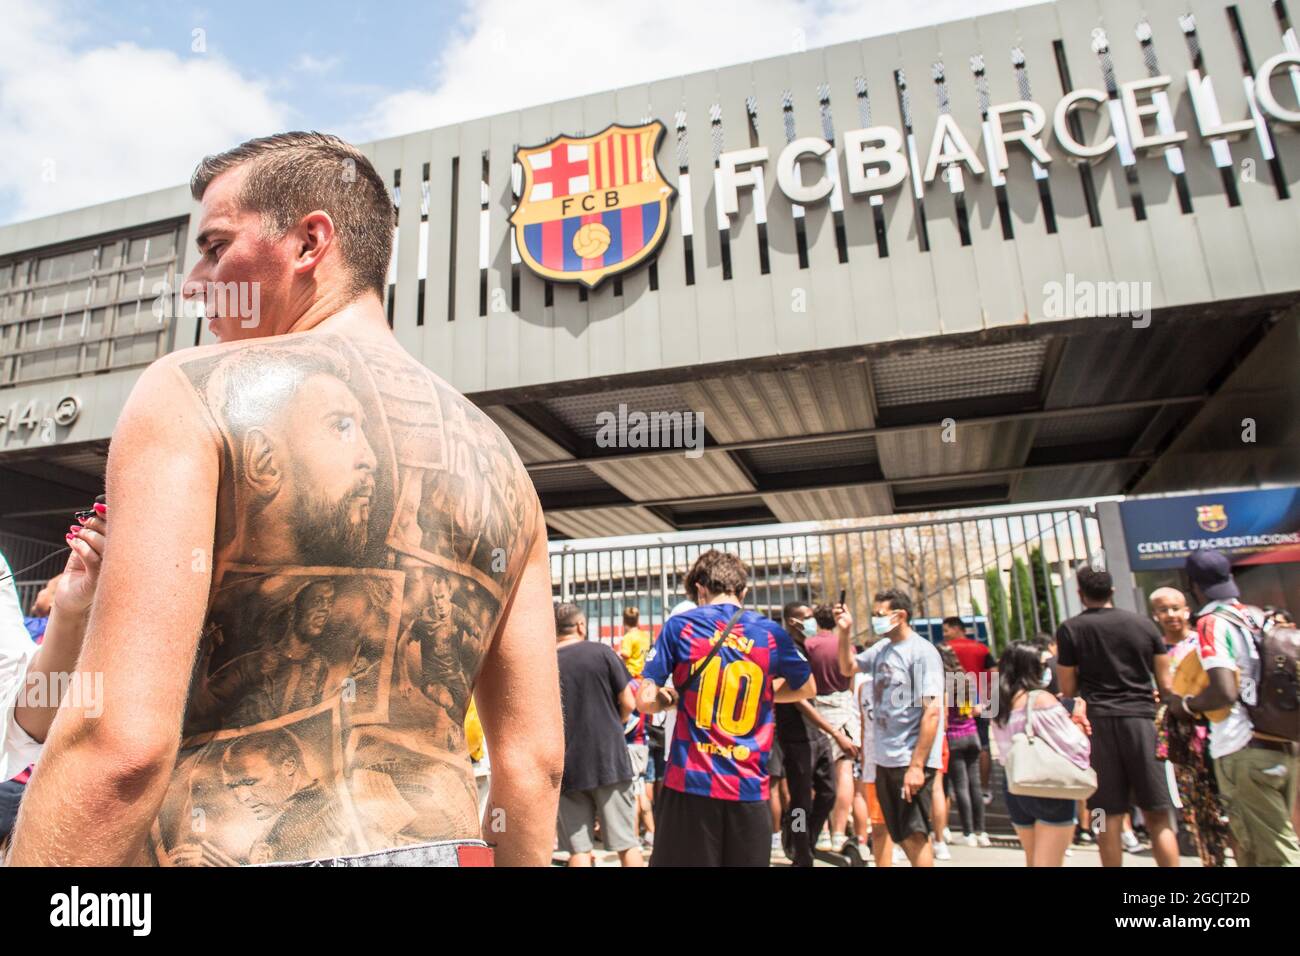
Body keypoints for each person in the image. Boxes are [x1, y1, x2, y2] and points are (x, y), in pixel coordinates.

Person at [10, 133, 562, 867]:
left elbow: (121, 743)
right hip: (450, 847)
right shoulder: (502, 464)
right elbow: (533, 765)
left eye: (214, 246)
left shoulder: (191, 391)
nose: (193, 283)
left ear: (309, 242)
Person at [637, 550, 815, 867]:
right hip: (748, 785)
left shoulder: (681, 626)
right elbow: (807, 687)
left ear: (699, 589)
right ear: (743, 591)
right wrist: (761, 693)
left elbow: (646, 699)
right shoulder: (770, 633)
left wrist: (668, 697)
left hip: (690, 782)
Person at [1166, 551, 1300, 866]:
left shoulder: (1212, 622)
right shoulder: (1256, 616)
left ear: (1192, 585)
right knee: (1252, 851)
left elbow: (1224, 691)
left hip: (1242, 749)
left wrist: (1184, 705)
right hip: (1280, 743)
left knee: (1277, 855)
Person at [1056, 567, 1178, 867]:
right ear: (1112, 591)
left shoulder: (1071, 629)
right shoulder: (1145, 626)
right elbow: (1166, 683)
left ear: (1080, 594)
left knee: (1102, 813)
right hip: (1142, 723)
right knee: (1158, 814)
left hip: (1099, 727)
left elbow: (1068, 687)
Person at [837, 589, 944, 867]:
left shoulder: (922, 653)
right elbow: (848, 668)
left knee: (913, 835)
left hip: (908, 760)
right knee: (898, 832)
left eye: (880, 615)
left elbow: (931, 711)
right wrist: (845, 632)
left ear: (901, 616)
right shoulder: (882, 650)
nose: (875, 620)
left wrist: (917, 765)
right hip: (884, 760)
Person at [554, 603, 643, 868]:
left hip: (568, 764)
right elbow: (629, 702)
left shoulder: (547, 661)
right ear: (581, 626)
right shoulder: (602, 653)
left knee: (578, 851)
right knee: (627, 844)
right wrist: (617, 723)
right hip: (609, 760)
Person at [991, 641, 1093, 867]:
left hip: (1016, 784)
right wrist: (1077, 721)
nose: (1047, 669)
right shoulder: (1040, 699)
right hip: (1048, 786)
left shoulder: (999, 702)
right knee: (1049, 862)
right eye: (1042, 664)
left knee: (1032, 858)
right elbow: (1075, 745)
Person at [1150, 586, 1231, 867]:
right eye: (1163, 609)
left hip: (1219, 734)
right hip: (1182, 743)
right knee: (1197, 810)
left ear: (1187, 610)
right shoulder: (1155, 653)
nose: (1171, 615)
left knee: (1231, 807)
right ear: (1155, 615)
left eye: (1175, 608)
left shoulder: (1204, 644)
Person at [772, 600, 836, 866]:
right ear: (792, 621)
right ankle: (801, 851)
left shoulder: (807, 648)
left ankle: (803, 838)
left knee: (828, 793)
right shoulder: (785, 649)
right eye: (806, 617)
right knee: (800, 803)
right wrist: (835, 731)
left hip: (816, 735)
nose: (812, 621)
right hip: (796, 737)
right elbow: (798, 698)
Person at [803, 603, 863, 854]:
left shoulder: (809, 646)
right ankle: (840, 832)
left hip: (818, 709)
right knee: (845, 773)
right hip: (844, 709)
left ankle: (822, 831)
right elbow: (850, 678)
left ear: (815, 620)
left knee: (817, 776)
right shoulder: (845, 645)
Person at [941, 616, 997, 807]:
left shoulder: (946, 649)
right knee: (983, 747)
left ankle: (954, 790)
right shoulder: (981, 649)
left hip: (953, 704)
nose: (944, 634)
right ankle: (984, 789)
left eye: (947, 630)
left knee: (952, 749)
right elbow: (993, 674)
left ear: (957, 629)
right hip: (978, 702)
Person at [941, 639, 989, 847]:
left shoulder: (941, 684)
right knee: (975, 785)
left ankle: (968, 832)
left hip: (954, 737)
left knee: (960, 786)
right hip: (972, 735)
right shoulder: (965, 680)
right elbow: (978, 708)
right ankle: (981, 831)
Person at [853, 653, 892, 866]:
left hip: (898, 760)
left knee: (906, 825)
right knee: (878, 823)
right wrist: (863, 757)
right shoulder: (864, 689)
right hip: (873, 760)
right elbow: (863, 725)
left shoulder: (905, 689)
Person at [618, 606, 649, 677]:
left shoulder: (628, 637)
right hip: (644, 674)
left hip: (632, 674)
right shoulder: (645, 635)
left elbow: (626, 654)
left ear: (624, 621)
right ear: (638, 620)